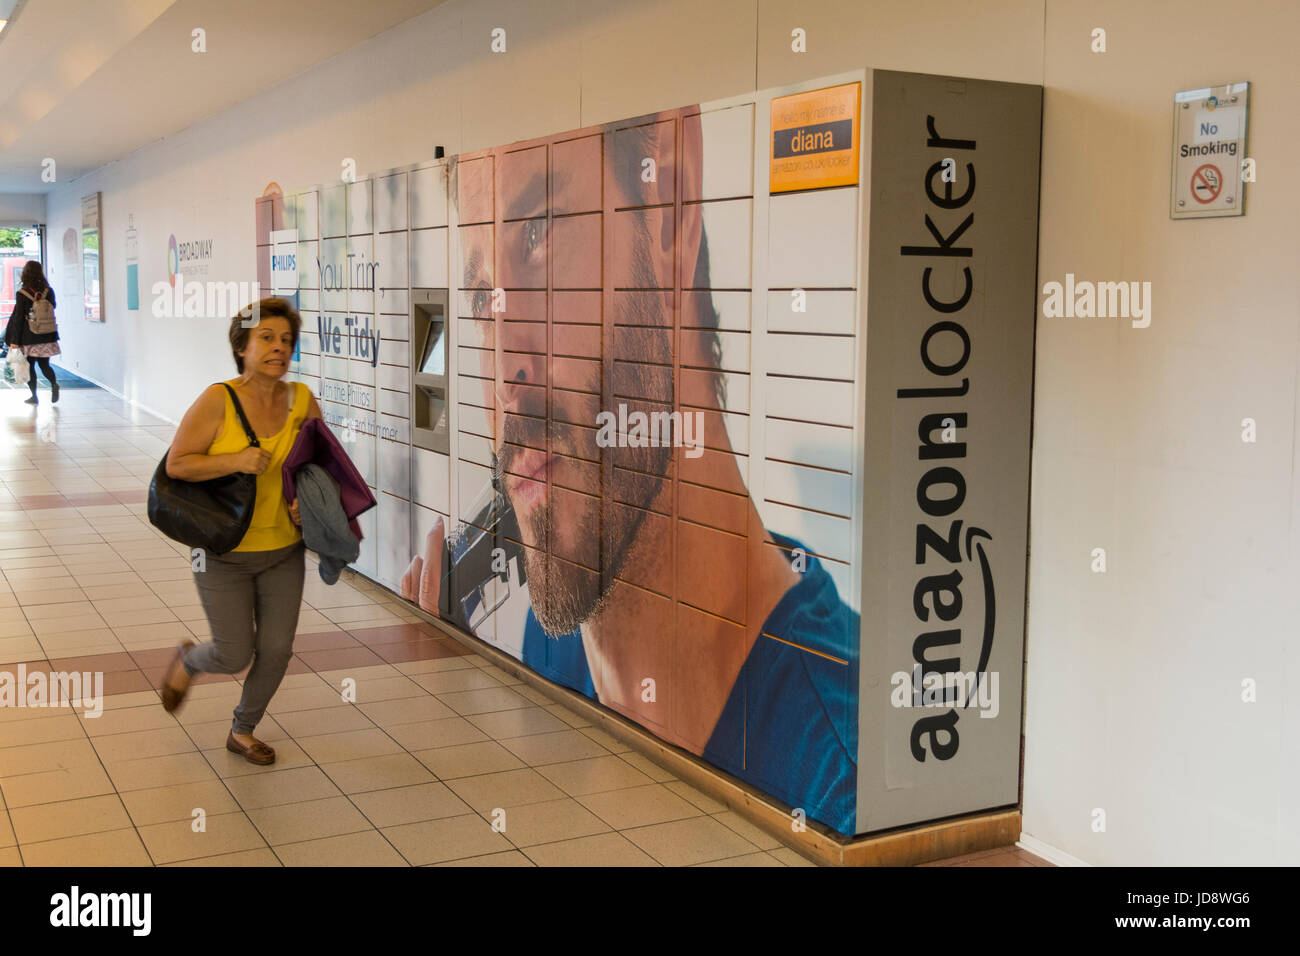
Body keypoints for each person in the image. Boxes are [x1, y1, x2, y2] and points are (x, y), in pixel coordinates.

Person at [400, 107, 861, 833]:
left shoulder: (849, 792)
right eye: (481, 299)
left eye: (538, 233)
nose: (503, 372)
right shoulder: (551, 652)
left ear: (669, 202)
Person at [159, 298, 322, 765]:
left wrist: (304, 500)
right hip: (222, 550)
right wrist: (236, 459)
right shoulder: (218, 400)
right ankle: (190, 661)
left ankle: (242, 729)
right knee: (233, 654)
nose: (279, 348)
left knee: (276, 650)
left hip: (283, 549)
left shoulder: (303, 401)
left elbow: (318, 466)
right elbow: (178, 464)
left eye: (286, 340)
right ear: (242, 348)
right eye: (266, 338)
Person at [4, 260, 60, 404]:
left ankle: (34, 396)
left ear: (25, 273)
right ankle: (54, 384)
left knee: (30, 366)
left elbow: (18, 318)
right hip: (47, 335)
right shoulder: (48, 290)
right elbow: (53, 306)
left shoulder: (22, 293)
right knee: (45, 365)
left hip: (30, 336)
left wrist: (14, 341)